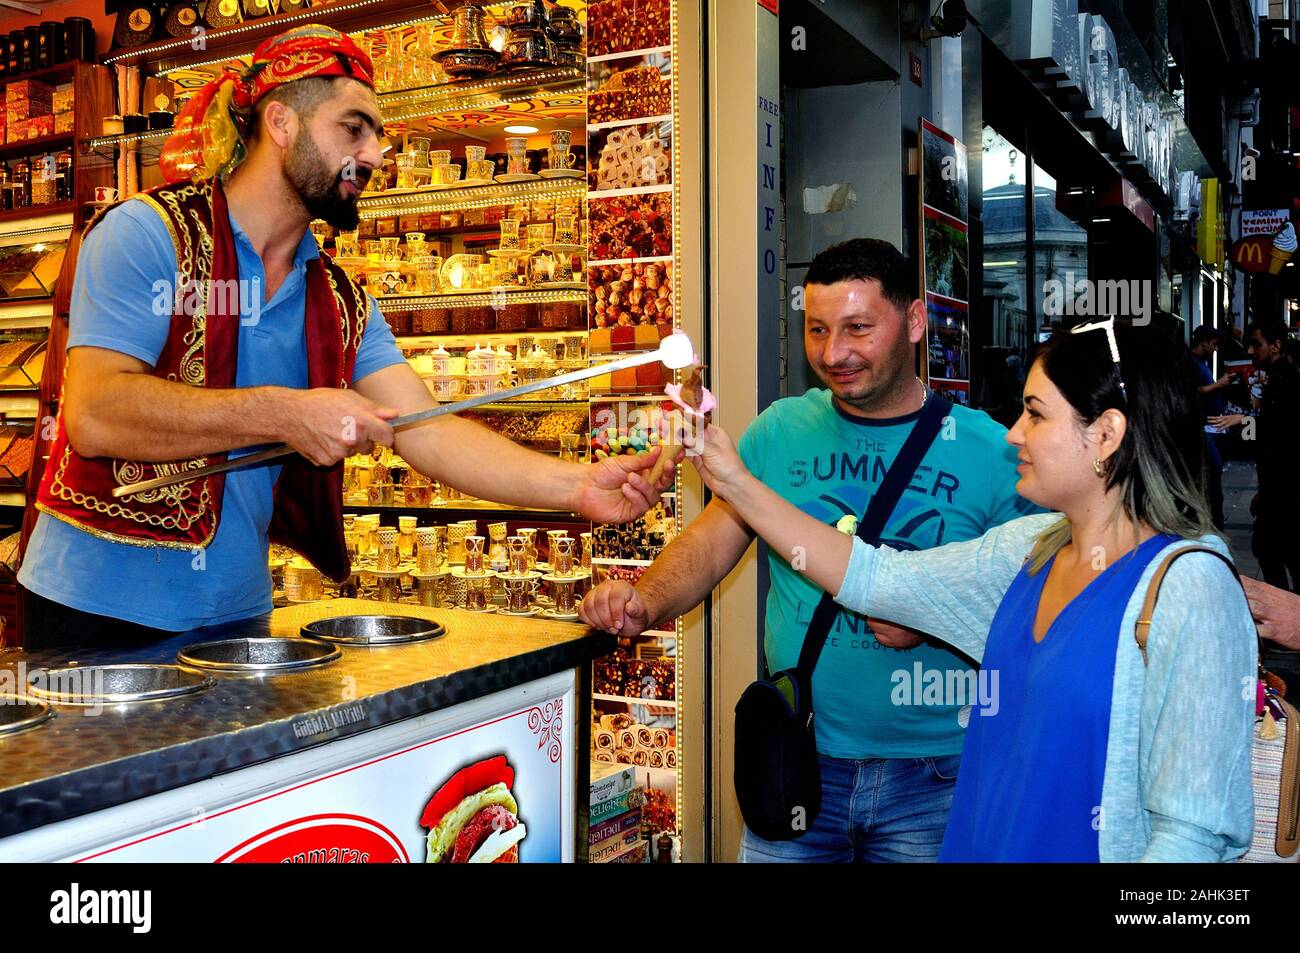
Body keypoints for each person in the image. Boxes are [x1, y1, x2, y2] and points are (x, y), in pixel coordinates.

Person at [18, 25, 675, 650]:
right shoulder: (146, 234)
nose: (371, 154)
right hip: (92, 611)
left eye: (376, 136)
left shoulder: (336, 299)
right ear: (281, 123)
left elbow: (426, 428)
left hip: (239, 616)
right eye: (352, 129)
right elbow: (96, 412)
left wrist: (578, 486)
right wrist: (284, 411)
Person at [684, 320, 1256, 862]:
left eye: (1035, 415)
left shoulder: (1189, 588)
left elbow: (1191, 835)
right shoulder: (1030, 549)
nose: (1014, 434)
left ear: (1106, 434)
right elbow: (875, 578)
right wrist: (731, 476)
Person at [580, 238, 1039, 862]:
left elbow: (1037, 599)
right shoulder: (780, 430)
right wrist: (645, 599)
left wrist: (934, 622)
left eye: (858, 328)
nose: (834, 353)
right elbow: (715, 540)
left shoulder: (992, 450)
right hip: (796, 754)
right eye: (818, 330)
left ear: (914, 322)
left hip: (936, 776)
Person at [1211, 320, 1300, 592]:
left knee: (1276, 549)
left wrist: (1242, 421)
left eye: (1256, 344)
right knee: (1271, 549)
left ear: (1276, 346)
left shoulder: (1288, 381)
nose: (1250, 350)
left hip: (1286, 485)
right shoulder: (1274, 377)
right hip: (1277, 485)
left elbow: (1279, 431)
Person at [1190, 326, 1229, 528]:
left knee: (1213, 473)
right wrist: (1218, 384)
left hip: (1211, 428)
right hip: (1202, 429)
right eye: (1213, 344)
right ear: (1203, 341)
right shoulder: (1191, 362)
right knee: (1213, 471)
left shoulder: (1202, 363)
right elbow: (1192, 391)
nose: (1215, 349)